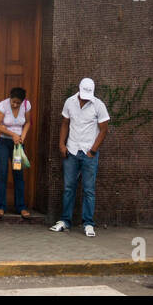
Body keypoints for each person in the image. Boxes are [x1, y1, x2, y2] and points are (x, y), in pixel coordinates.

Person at [50, 77, 110, 238]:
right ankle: (65, 221)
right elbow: (65, 123)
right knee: (69, 187)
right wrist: (61, 144)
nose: (85, 97)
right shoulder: (69, 102)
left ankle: (88, 223)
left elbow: (104, 129)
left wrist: (93, 150)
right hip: (72, 150)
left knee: (89, 189)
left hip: (89, 152)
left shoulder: (99, 105)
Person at [0, 87, 31, 218]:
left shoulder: (26, 105)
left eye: (18, 103)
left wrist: (23, 136)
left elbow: (27, 122)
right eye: (13, 102)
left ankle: (21, 207)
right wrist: (13, 134)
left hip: (17, 146)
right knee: (3, 172)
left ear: (23, 101)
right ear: (10, 97)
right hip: (3, 142)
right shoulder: (2, 105)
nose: (15, 105)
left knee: (18, 174)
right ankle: (0, 206)